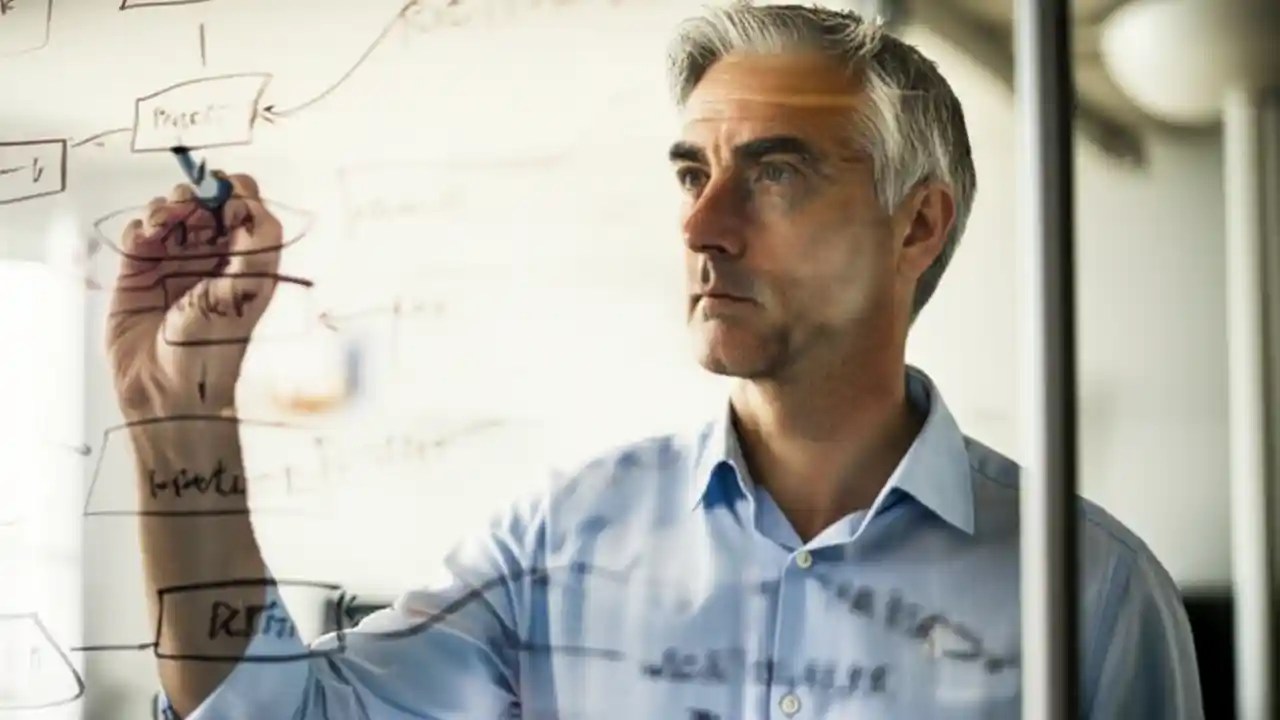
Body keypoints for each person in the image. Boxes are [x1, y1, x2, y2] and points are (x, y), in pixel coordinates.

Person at [109, 3, 1203, 718]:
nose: (700, 228)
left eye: (772, 174)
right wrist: (176, 415)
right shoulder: (555, 547)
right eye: (691, 175)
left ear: (914, 226)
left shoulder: (1093, 596)